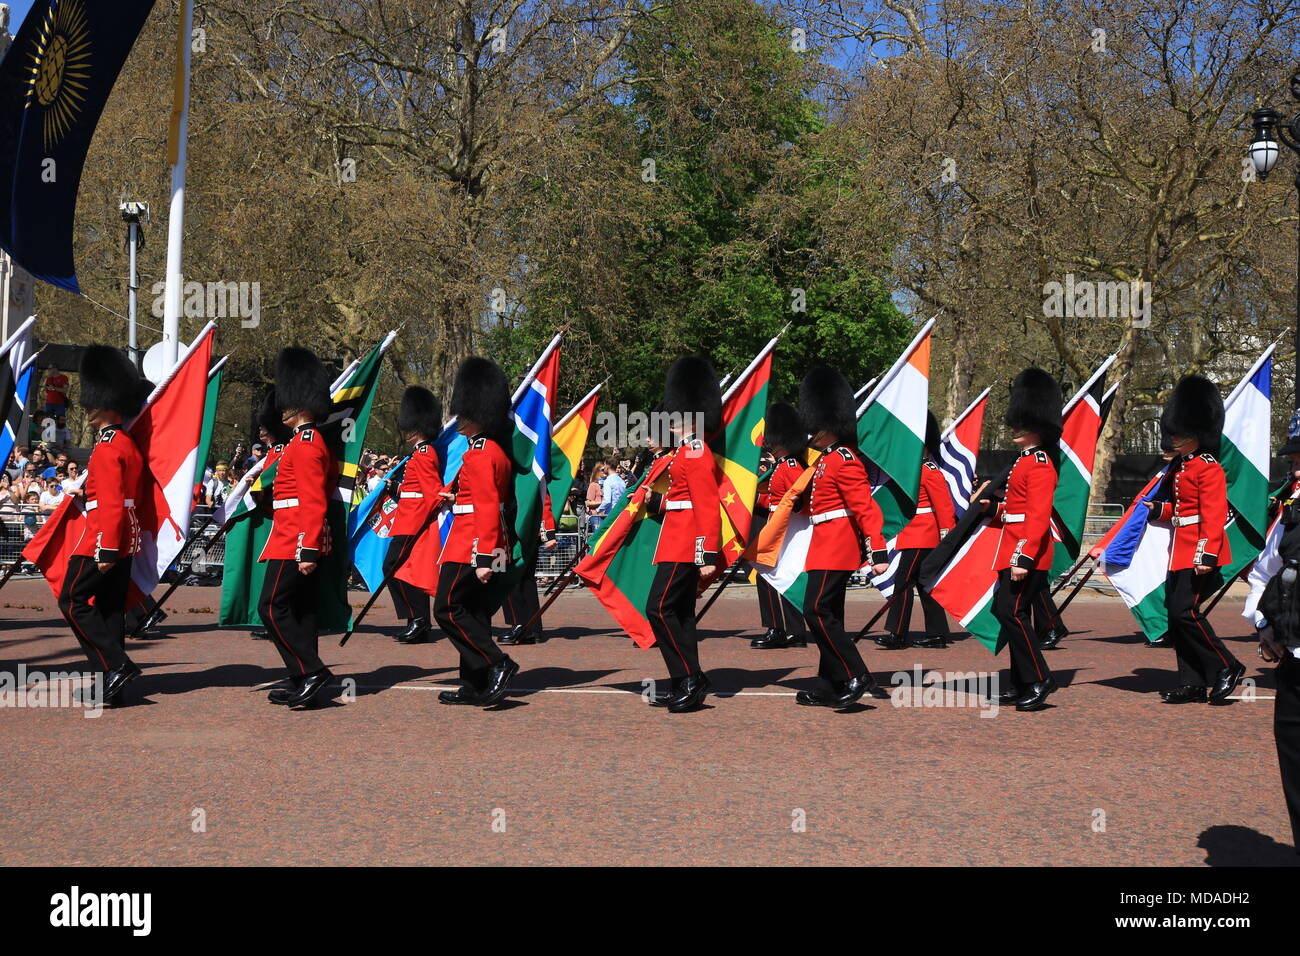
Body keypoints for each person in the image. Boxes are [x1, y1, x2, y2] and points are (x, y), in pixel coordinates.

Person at [791, 367, 890, 709]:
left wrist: (876, 550)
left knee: (815, 609)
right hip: (823, 542)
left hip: (838, 544)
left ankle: (855, 673)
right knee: (827, 613)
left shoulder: (845, 459)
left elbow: (865, 507)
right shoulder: (825, 460)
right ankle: (828, 684)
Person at [57, 346, 150, 705]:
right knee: (110, 608)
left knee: (73, 600)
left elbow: (112, 502)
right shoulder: (123, 443)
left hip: (104, 535)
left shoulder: (110, 446)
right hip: (123, 534)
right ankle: (112, 683)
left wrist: (107, 546)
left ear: (109, 403)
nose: (87, 407)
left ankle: (116, 664)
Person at [1147, 374, 1244, 705]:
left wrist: (1206, 554)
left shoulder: (1208, 467)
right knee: (1176, 617)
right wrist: (1159, 510)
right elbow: (1182, 509)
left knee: (1185, 613)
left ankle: (1226, 665)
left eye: (1181, 431)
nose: (1174, 437)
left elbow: (1213, 515)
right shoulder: (1183, 466)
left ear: (1198, 433)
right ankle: (1191, 682)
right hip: (1179, 550)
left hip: (1199, 551)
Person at [433, 357, 519, 707]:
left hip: (472, 544)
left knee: (447, 608)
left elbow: (485, 507)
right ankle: (475, 684)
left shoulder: (481, 454)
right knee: (475, 613)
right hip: (482, 541)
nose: (458, 419)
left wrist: (483, 556)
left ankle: (497, 663)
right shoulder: (489, 450)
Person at [640, 356, 723, 713]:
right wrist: (653, 502)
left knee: (658, 608)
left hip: (686, 545)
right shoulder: (683, 453)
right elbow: (680, 501)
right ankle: (686, 680)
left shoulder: (695, 450)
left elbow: (707, 506)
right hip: (676, 539)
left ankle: (688, 677)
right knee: (682, 615)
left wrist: (706, 556)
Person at [257, 349, 337, 709]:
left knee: (271, 607)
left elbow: (311, 501)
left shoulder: (305, 445)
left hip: (295, 538)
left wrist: (307, 548)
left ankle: (311, 670)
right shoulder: (304, 442)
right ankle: (303, 678)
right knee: (301, 612)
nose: (282, 409)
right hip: (293, 534)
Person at [979, 368, 1061, 712]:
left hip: (1026, 553)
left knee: (1010, 612)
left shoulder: (1039, 463)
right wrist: (993, 509)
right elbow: (1017, 510)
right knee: (1012, 613)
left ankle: (1038, 677)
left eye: (1021, 422)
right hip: (1012, 547)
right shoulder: (1024, 461)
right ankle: (1019, 680)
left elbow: (1038, 517)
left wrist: (1022, 557)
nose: (1015, 427)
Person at [1244, 411, 1300, 852]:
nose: (1296, 468)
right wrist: (1263, 624)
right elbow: (1265, 573)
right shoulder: (1291, 516)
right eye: (1294, 458)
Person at [882, 412, 956, 649]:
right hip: (913, 534)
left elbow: (944, 508)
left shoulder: (929, 470)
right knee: (925, 586)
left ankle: (897, 633)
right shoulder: (913, 471)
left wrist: (947, 537)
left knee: (903, 583)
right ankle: (937, 634)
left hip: (923, 536)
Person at [384, 386, 444, 644]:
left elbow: (432, 494)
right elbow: (415, 491)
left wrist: (420, 523)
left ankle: (418, 619)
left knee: (395, 568)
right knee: (401, 570)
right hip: (406, 519)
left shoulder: (424, 453)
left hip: (413, 523)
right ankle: (416, 620)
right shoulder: (417, 454)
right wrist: (395, 487)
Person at [751, 402, 809, 650]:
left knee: (773, 577)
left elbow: (798, 499)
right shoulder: (782, 465)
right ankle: (785, 629)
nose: (771, 445)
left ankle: (784, 629)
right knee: (770, 577)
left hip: (783, 528)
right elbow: (776, 499)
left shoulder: (791, 466)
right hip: (776, 524)